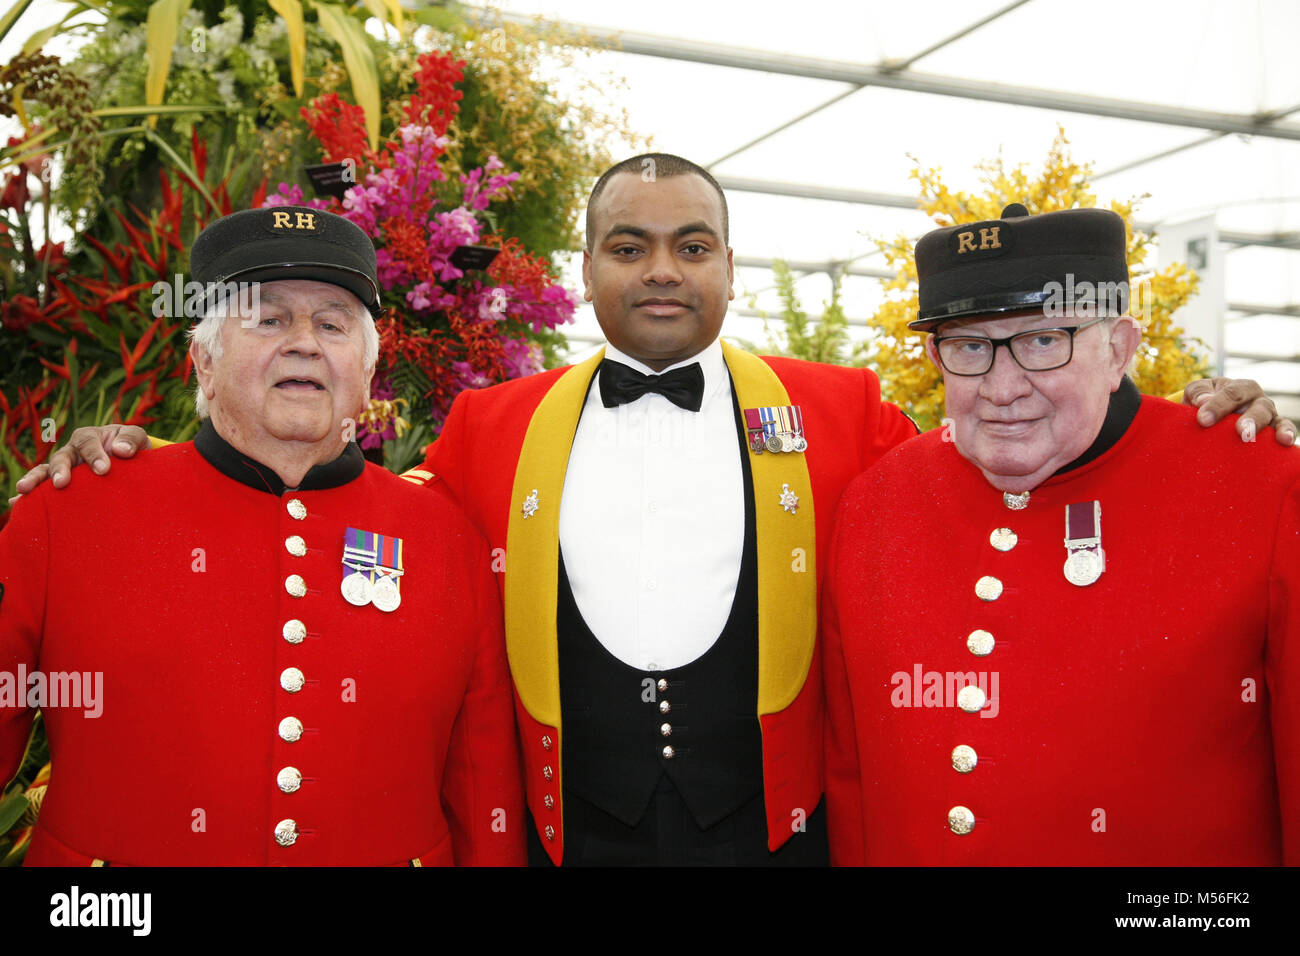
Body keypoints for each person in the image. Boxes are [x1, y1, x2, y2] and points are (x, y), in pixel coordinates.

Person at [18, 158, 1295, 867]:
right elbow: (362, 553)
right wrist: (106, 463)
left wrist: (1208, 417)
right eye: (629, 244)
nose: (662, 268)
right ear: (587, 273)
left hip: (782, 842)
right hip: (584, 841)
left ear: (730, 265)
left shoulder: (847, 414)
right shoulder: (486, 430)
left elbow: (1026, 455)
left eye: (693, 242)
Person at [0, 206, 525, 866]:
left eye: (332, 325)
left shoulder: (449, 543)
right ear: (204, 363)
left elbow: (484, 803)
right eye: (268, 319)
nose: (305, 342)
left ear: (367, 375)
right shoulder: (68, 515)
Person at [822, 203, 1299, 865]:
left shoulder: (1261, 488)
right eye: (968, 346)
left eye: (1044, 340)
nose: (1002, 387)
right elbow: (852, 782)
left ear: (1120, 348)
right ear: (934, 354)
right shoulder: (876, 503)